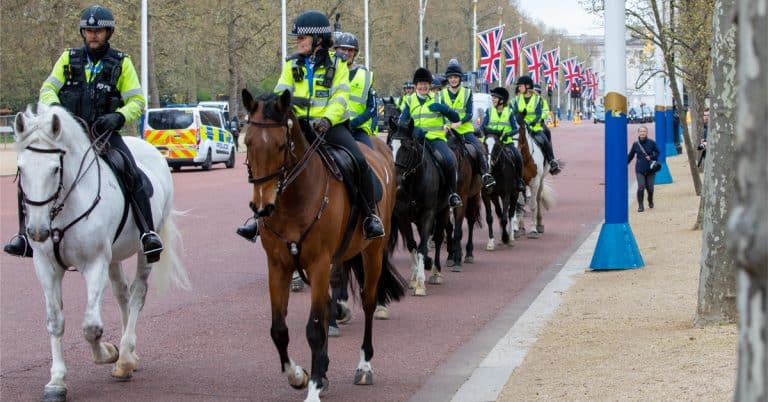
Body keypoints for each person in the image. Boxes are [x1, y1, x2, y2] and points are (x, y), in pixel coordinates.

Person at [4, 5, 163, 262]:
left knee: (130, 170)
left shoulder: (122, 63)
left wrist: (119, 116)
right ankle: (24, 236)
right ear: (83, 32)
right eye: (88, 30)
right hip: (69, 135)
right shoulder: (68, 59)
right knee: (32, 170)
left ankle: (147, 233)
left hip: (104, 135)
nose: (93, 35)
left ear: (108, 33)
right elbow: (47, 89)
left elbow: (137, 101)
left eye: (98, 31)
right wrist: (57, 110)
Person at [237, 10, 385, 241]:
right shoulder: (291, 64)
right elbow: (280, 94)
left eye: (302, 37)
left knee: (358, 160)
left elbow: (340, 98)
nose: (298, 42)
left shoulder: (338, 64)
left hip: (331, 127)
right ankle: (259, 219)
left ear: (318, 39)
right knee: (271, 161)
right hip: (298, 128)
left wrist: (327, 120)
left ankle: (370, 216)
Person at [398, 67, 463, 208]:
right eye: (420, 84)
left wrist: (443, 109)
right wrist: (414, 130)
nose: (423, 86)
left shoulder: (438, 98)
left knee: (449, 159)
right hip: (416, 140)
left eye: (426, 84)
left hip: (435, 139)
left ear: (429, 85)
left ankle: (452, 194)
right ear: (415, 86)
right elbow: (402, 122)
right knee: (399, 160)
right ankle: (397, 189)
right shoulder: (409, 101)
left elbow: (455, 117)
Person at [440, 60, 495, 189]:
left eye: (455, 77)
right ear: (448, 79)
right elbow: (440, 114)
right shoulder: (441, 94)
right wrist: (445, 125)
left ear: (460, 78)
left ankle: (485, 175)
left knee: (479, 148)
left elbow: (469, 113)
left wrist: (459, 123)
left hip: (464, 130)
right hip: (447, 131)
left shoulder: (467, 93)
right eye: (451, 77)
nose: (453, 80)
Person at [333, 32, 376, 149]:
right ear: (336, 50)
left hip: (357, 130)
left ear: (355, 53)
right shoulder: (328, 72)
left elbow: (372, 107)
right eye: (343, 49)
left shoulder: (365, 76)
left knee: (366, 157)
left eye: (350, 50)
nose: (347, 53)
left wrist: (355, 123)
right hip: (333, 126)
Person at [511, 76, 561, 175]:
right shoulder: (516, 100)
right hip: (521, 128)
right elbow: (512, 112)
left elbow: (540, 113)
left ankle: (552, 161)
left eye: (520, 86)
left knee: (544, 140)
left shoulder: (538, 99)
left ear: (527, 86)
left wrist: (534, 122)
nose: (519, 88)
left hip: (535, 128)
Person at [481, 87, 524, 192]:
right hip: (491, 142)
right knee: (479, 156)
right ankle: (481, 181)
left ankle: (519, 180)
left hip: (505, 142)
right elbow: (483, 126)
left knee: (518, 156)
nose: (493, 99)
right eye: (492, 97)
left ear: (502, 100)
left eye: (495, 98)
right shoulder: (489, 111)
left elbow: (515, 129)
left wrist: (507, 134)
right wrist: (492, 132)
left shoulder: (509, 112)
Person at [627, 126, 659, 212]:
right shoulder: (635, 144)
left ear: (646, 132)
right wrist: (623, 165)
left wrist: (651, 156)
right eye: (641, 131)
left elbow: (657, 152)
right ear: (638, 133)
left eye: (644, 131)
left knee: (650, 188)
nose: (642, 133)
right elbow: (630, 156)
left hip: (650, 169)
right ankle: (640, 206)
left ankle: (650, 200)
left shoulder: (651, 142)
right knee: (641, 187)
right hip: (640, 169)